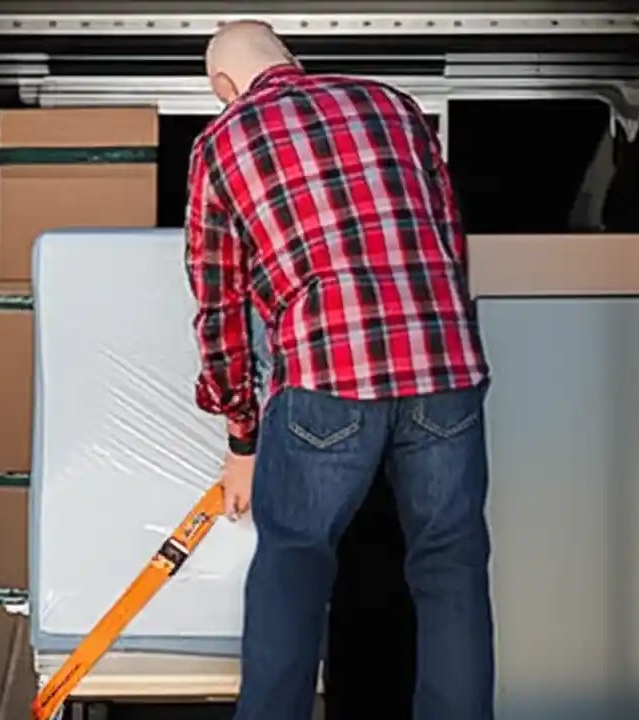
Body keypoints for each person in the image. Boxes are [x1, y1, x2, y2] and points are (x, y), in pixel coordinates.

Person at [183, 20, 495, 720]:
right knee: (451, 570)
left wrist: (241, 435)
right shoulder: (393, 105)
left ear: (225, 89)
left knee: (293, 565)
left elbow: (218, 300)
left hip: (329, 375)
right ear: (292, 59)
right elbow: (449, 240)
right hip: (444, 369)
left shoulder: (223, 140)